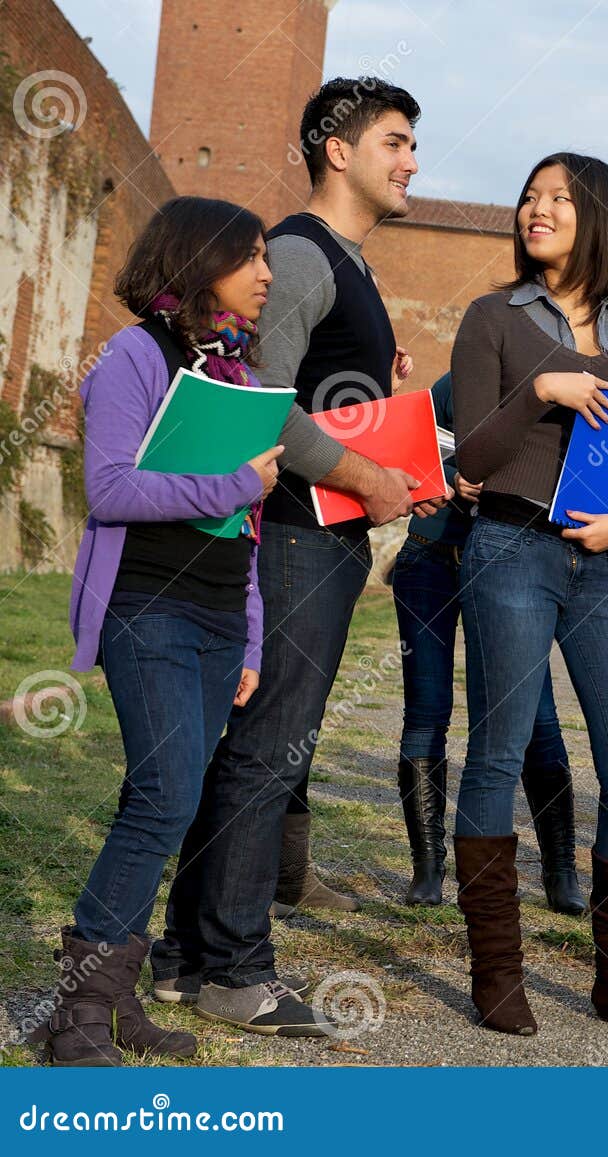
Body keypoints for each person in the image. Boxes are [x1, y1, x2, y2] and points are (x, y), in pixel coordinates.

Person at [149, 78, 443, 1034]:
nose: (410, 162)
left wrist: (372, 393)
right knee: (271, 751)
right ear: (337, 150)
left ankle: (188, 957)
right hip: (291, 537)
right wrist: (368, 473)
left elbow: (309, 386)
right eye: (395, 142)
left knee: (259, 748)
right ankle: (236, 967)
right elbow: (263, 406)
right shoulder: (302, 254)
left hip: (318, 537)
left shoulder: (337, 262)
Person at [451, 152, 608, 1038]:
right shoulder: (491, 319)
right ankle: (497, 973)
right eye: (528, 196)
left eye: (556, 199)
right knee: (500, 753)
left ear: (597, 217)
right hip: (510, 545)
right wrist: (540, 389)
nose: (534, 210)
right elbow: (472, 457)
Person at [51, 197, 294, 1063]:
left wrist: (254, 636)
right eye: (253, 257)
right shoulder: (133, 355)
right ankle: (75, 1015)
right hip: (146, 610)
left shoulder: (232, 372)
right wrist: (232, 482)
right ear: (201, 261)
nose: (268, 273)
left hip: (220, 619)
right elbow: (111, 487)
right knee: (164, 797)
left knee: (169, 799)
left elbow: (249, 529)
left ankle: (112, 997)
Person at [390, 372, 586, 914]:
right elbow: (409, 444)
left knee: (537, 718)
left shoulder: (569, 388)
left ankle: (560, 869)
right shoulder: (465, 376)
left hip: (512, 565)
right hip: (429, 558)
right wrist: (454, 477)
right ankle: (427, 869)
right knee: (427, 711)